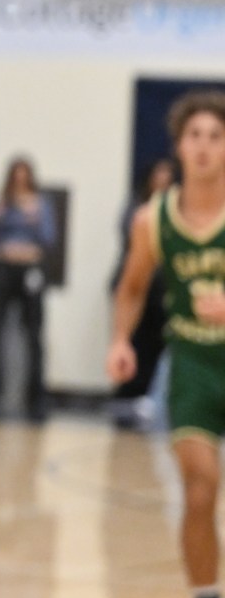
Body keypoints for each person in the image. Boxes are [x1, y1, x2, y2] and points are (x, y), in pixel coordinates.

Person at [107, 90, 225, 598]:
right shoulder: (153, 218)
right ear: (178, 146)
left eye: (215, 136)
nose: (204, 148)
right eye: (194, 136)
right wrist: (121, 341)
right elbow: (130, 288)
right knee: (199, 489)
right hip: (196, 365)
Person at [0, 155, 58, 420]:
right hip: (4, 268)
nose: (19, 180)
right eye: (15, 175)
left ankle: (35, 392)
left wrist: (33, 220)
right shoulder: (1, 203)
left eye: (24, 175)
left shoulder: (41, 205)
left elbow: (48, 239)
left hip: (30, 269)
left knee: (34, 333)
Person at [111, 157, 177, 428]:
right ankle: (144, 396)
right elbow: (130, 287)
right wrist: (120, 340)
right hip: (149, 286)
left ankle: (156, 397)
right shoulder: (143, 215)